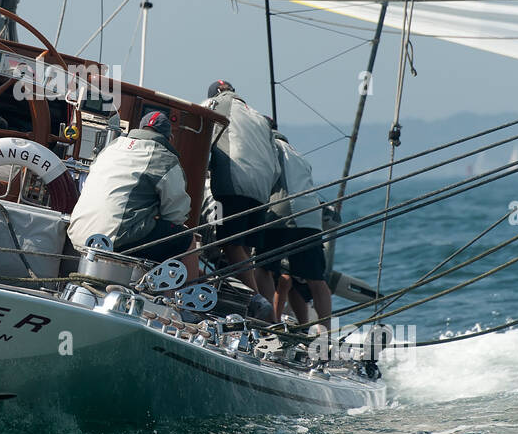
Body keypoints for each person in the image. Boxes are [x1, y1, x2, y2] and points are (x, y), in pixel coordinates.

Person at [68, 111, 200, 272]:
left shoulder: (110, 148)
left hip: (78, 234)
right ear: (169, 138)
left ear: (139, 129)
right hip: (116, 240)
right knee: (186, 239)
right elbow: (176, 214)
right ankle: (183, 294)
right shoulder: (165, 158)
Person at [202, 79, 278, 297]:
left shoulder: (214, 105)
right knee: (246, 251)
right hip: (262, 190)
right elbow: (276, 166)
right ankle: (261, 307)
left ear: (215, 94)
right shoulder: (259, 117)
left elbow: (200, 138)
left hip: (234, 183)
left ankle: (258, 303)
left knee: (231, 245)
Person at [263, 133, 334, 331]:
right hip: (310, 215)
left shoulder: (267, 147)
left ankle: (269, 322)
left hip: (282, 212)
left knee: (264, 268)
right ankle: (324, 333)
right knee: (313, 279)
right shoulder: (299, 155)